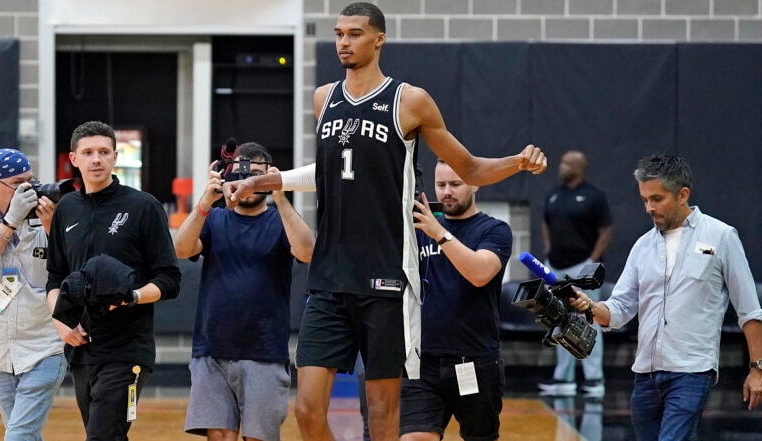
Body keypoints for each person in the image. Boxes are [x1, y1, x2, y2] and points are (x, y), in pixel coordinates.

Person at [224, 3, 547, 440]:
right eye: (338, 33)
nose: (343, 42)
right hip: (329, 277)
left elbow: (469, 169)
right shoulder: (324, 99)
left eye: (354, 33)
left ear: (379, 39)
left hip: (387, 278)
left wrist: (517, 162)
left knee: (381, 415)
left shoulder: (409, 101)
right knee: (306, 409)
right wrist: (265, 180)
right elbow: (327, 171)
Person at [570, 154, 762, 441]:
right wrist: (590, 306)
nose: (649, 207)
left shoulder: (722, 236)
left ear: (683, 194)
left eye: (657, 199)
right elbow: (620, 309)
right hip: (645, 376)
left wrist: (757, 369)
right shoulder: (642, 246)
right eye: (645, 199)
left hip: (692, 373)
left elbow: (749, 309)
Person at [46, 121, 182, 441]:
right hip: (81, 351)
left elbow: (170, 279)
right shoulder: (66, 209)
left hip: (127, 350)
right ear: (73, 159)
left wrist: (132, 297)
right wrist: (60, 322)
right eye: (89, 153)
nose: (97, 159)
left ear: (116, 157)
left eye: (104, 152)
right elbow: (55, 276)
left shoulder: (143, 206)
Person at [173, 142, 315, 441]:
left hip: (264, 352)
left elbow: (306, 252)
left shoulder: (279, 221)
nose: (247, 181)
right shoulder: (214, 219)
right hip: (212, 352)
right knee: (219, 436)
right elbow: (182, 248)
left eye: (257, 175)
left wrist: (281, 194)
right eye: (239, 173)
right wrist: (205, 200)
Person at [400, 159, 511, 441]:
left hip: (474, 361)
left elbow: (479, 273)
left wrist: (439, 234)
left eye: (455, 184)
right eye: (441, 185)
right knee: (413, 438)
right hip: (424, 362)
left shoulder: (494, 230)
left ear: (475, 183)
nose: (446, 191)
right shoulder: (420, 230)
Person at [0, 148, 67, 440]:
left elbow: (71, 269)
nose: (27, 190)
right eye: (17, 184)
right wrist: (9, 223)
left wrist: (52, 227)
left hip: (45, 345)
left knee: (17, 436)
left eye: (30, 180)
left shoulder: (49, 213)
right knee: (24, 434)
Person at [538, 150, 612, 397]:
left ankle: (594, 380)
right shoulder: (554, 195)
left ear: (579, 167)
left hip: (582, 269)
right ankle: (564, 378)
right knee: (560, 319)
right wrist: (549, 252)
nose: (561, 166)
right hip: (557, 269)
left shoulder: (594, 197)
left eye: (567, 162)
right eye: (562, 161)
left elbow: (606, 230)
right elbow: (545, 224)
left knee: (589, 320)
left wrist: (591, 260)